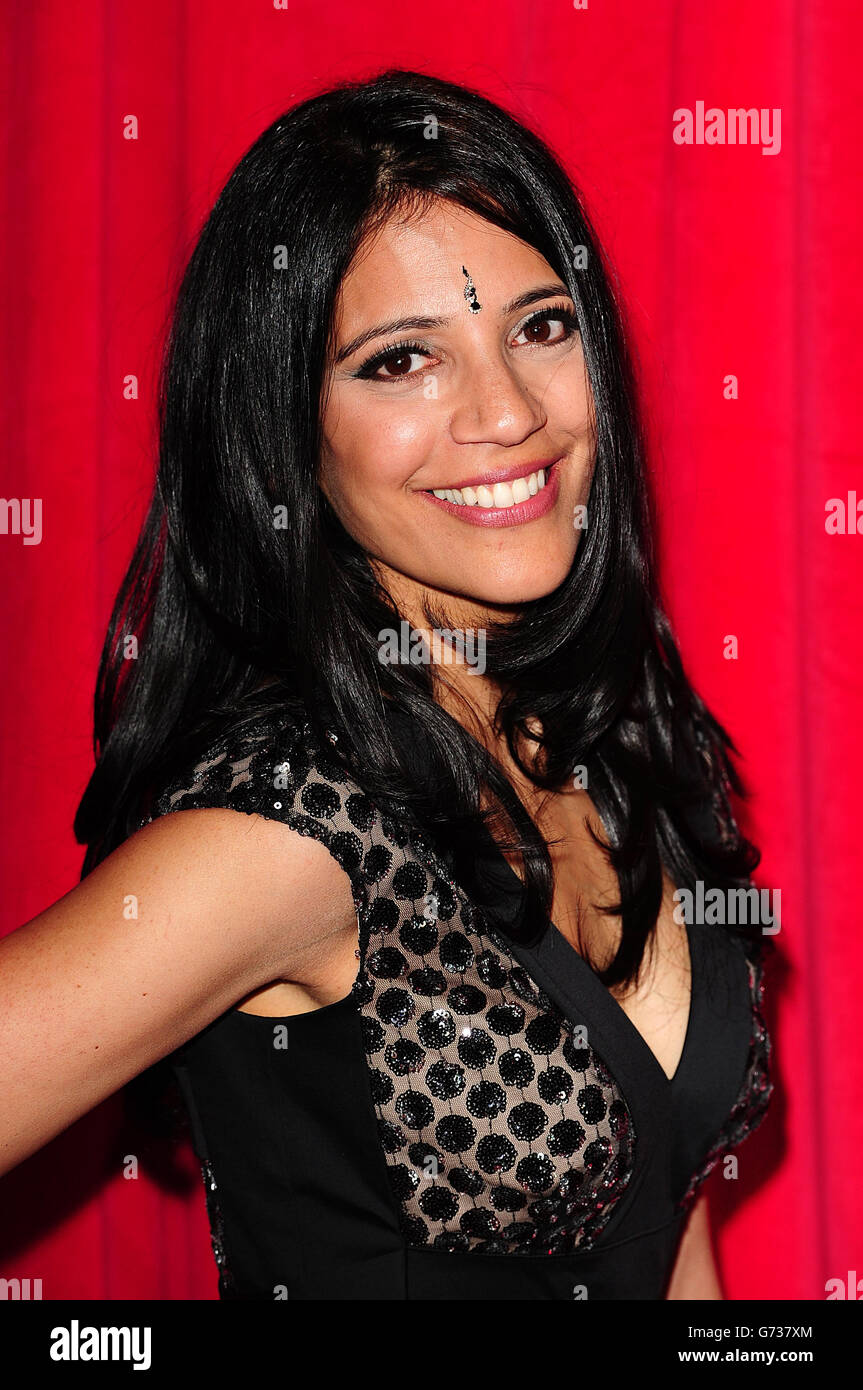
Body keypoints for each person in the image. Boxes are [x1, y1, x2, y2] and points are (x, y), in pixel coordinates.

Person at [0, 68, 773, 1300]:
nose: (505, 412)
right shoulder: (286, 833)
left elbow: (669, 1228)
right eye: (401, 360)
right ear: (285, 436)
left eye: (539, 326)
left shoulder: (616, 732)